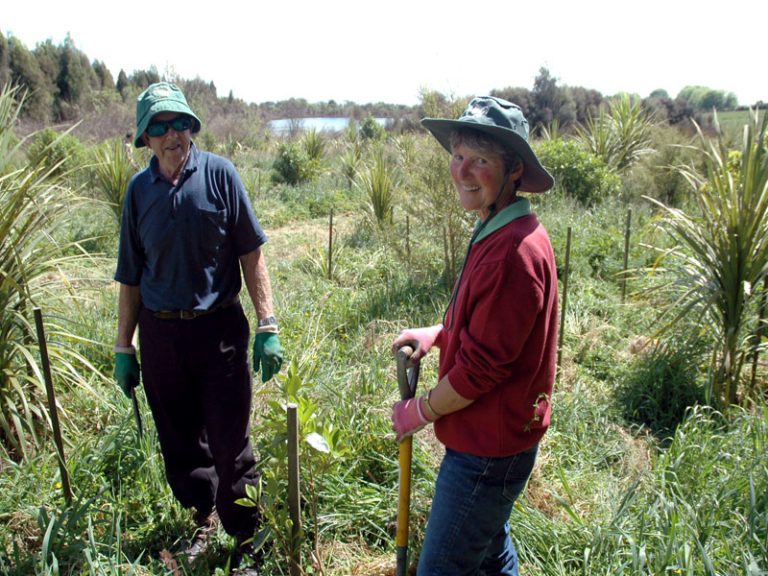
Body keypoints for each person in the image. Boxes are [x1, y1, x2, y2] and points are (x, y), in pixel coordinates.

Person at [113, 82, 283, 575]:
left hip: (220, 332)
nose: (174, 134)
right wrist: (124, 346)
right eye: (161, 127)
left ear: (192, 127)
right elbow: (130, 275)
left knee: (232, 443)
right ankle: (204, 520)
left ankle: (248, 542)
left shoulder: (220, 175)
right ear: (145, 138)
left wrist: (267, 323)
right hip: (161, 336)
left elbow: (252, 252)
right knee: (181, 442)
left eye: (181, 123)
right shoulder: (138, 191)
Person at [391, 96, 558, 576]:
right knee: (489, 554)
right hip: (497, 441)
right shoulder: (498, 228)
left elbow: (483, 368)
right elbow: (492, 328)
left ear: (513, 172)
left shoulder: (512, 253)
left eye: (481, 160)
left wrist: (417, 412)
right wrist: (440, 333)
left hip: (488, 452)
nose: (462, 170)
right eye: (458, 155)